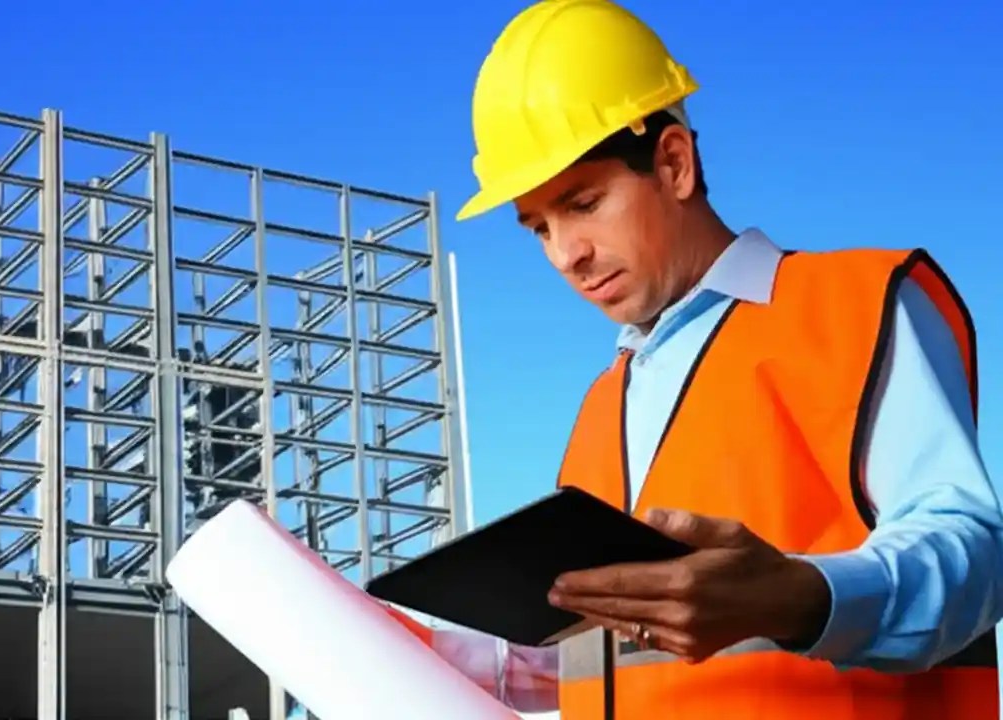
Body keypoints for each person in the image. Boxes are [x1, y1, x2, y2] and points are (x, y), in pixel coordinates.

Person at [383, 1, 1003, 718]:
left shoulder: (853, 306)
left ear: (674, 162)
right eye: (539, 229)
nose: (565, 255)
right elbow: (600, 658)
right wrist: (411, 645)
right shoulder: (598, 410)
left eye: (583, 203)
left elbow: (974, 556)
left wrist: (801, 597)